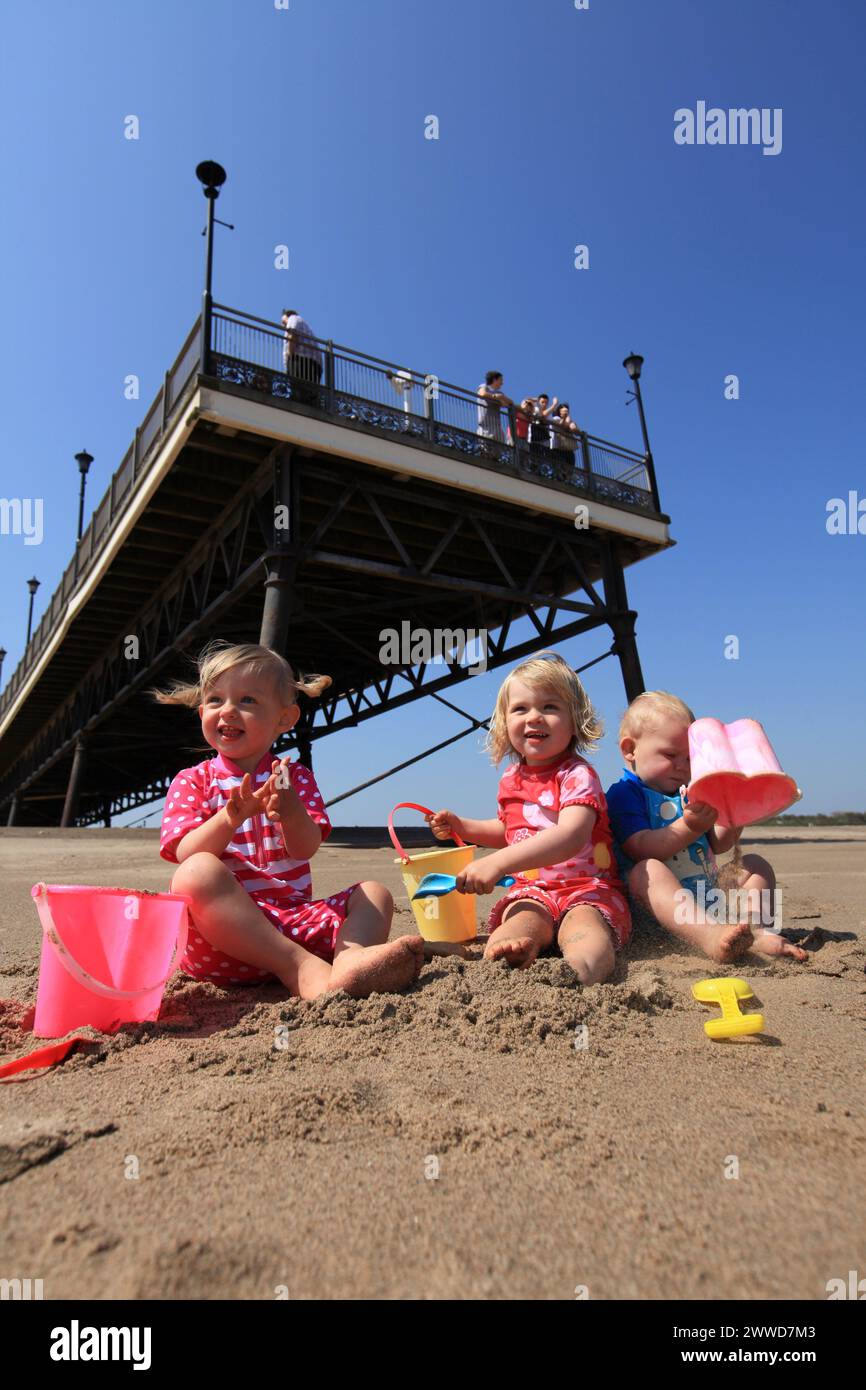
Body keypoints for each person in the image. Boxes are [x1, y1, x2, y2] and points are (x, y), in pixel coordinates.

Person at [152, 641, 424, 999]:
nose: (229, 711)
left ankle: (349, 963)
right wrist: (229, 818)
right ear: (202, 711)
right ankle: (296, 967)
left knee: (375, 893)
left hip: (295, 923)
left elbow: (305, 847)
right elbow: (186, 852)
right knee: (195, 873)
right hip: (225, 939)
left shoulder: (292, 777)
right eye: (216, 700)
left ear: (285, 718)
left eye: (247, 700)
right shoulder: (193, 781)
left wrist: (292, 809)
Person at [425, 650, 630, 983]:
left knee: (585, 928)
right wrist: (464, 827)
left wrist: (497, 864)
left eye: (550, 707)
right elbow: (509, 830)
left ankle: (577, 972)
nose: (534, 717)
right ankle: (513, 953)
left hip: (588, 888)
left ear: (575, 720)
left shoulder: (577, 774)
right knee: (520, 921)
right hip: (531, 889)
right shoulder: (511, 779)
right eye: (520, 709)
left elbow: (571, 835)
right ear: (506, 725)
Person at [605, 691, 808, 964]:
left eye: (690, 758)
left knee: (755, 865)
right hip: (655, 910)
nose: (682, 766)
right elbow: (640, 848)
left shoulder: (690, 792)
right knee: (646, 870)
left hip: (706, 897)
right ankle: (710, 938)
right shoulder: (626, 793)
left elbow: (718, 844)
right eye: (670, 755)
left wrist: (736, 813)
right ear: (630, 749)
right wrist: (688, 825)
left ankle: (757, 931)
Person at [281, 308, 323, 402]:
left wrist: (289, 355)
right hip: (314, 365)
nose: (282, 325)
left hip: (300, 360)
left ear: (288, 316)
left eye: (283, 321)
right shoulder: (305, 325)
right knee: (309, 393)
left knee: (299, 391)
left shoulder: (293, 318)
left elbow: (293, 335)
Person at [476, 371, 512, 450]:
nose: (502, 383)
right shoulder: (484, 386)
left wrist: (501, 397)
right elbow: (482, 394)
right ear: (494, 379)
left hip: (496, 427)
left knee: (497, 453)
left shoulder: (499, 393)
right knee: (485, 450)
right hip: (485, 426)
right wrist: (495, 396)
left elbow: (509, 403)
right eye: (501, 380)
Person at [549, 402, 580, 469]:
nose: (566, 413)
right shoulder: (556, 418)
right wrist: (567, 420)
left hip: (568, 449)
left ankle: (568, 477)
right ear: (559, 411)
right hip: (558, 448)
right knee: (560, 468)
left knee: (570, 468)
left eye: (567, 411)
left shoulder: (569, 420)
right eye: (564, 411)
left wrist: (571, 423)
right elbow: (563, 426)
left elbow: (574, 430)